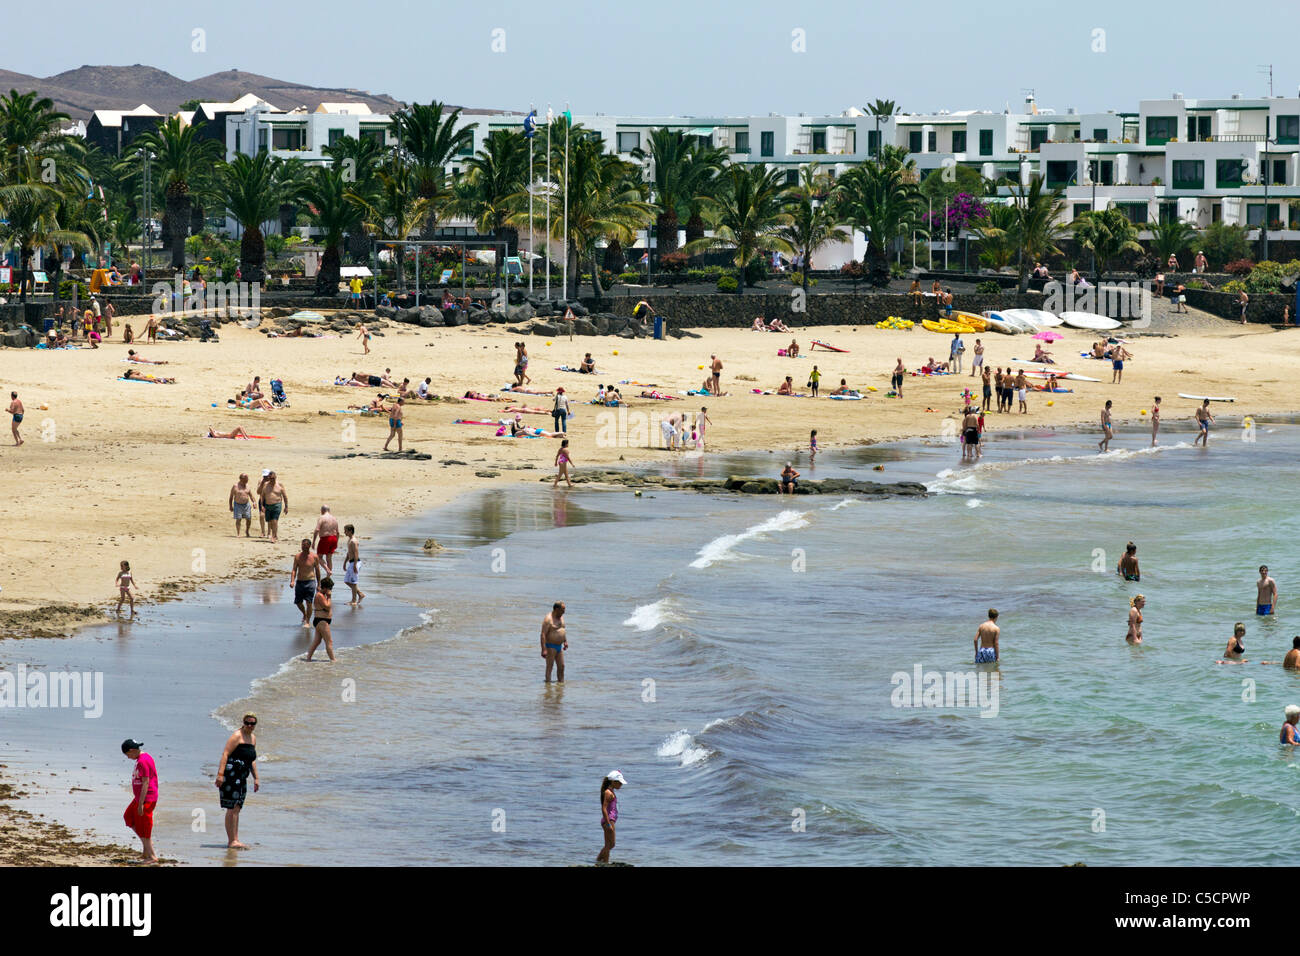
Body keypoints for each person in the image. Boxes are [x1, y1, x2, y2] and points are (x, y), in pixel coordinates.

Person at [216, 713, 259, 849]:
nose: (249, 726)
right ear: (243, 722)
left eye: (252, 724)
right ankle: (232, 841)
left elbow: (251, 760)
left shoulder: (252, 738)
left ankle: (235, 839)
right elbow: (225, 754)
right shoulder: (237, 736)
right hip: (231, 775)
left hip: (242, 777)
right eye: (247, 723)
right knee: (232, 808)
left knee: (237, 808)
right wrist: (220, 774)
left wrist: (256, 778)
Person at [122, 738, 159, 864]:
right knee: (129, 816)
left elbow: (146, 782)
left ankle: (152, 856)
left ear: (132, 751)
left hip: (146, 798)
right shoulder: (140, 759)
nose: (128, 758)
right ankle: (146, 848)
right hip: (139, 798)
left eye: (128, 755)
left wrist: (141, 803)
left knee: (144, 826)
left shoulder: (144, 760)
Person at [596, 770, 626, 864]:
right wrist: (608, 824)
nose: (621, 785)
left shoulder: (610, 791)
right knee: (611, 844)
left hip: (609, 820)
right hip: (609, 820)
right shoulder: (608, 793)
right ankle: (599, 860)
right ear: (614, 782)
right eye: (620, 783)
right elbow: (604, 808)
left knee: (608, 845)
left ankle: (604, 862)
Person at [290, 538, 320, 627]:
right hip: (300, 582)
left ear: (309, 546)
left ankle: (307, 621)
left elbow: (317, 571)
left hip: (310, 582)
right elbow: (294, 569)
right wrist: (292, 581)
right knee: (298, 602)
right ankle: (304, 614)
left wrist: (319, 584)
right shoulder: (297, 556)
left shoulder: (314, 557)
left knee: (309, 602)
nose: (303, 547)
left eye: (305, 546)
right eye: (302, 545)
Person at [306, 578, 336, 662]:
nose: (330, 591)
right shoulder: (319, 595)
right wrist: (329, 597)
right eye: (330, 588)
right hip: (322, 621)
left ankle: (308, 658)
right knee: (329, 641)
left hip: (322, 620)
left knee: (317, 641)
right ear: (326, 588)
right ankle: (333, 660)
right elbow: (327, 606)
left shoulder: (322, 595)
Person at [541, 601, 568, 683]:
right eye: (562, 609)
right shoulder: (548, 619)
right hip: (550, 646)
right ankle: (548, 687)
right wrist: (544, 649)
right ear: (556, 609)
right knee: (550, 667)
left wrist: (565, 641)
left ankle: (560, 686)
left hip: (559, 646)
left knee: (562, 666)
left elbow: (562, 630)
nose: (564, 611)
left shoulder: (561, 617)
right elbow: (543, 634)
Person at [342, 524, 365, 605]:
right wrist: (345, 563)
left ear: (350, 531)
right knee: (347, 581)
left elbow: (356, 553)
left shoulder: (354, 541)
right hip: (351, 562)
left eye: (346, 530)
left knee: (354, 582)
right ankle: (360, 594)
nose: (344, 532)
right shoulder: (349, 540)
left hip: (355, 562)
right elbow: (349, 553)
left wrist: (355, 565)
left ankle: (354, 601)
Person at [313, 505, 340, 575]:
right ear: (329, 510)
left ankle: (328, 570)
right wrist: (336, 542)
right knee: (329, 558)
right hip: (334, 538)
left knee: (318, 557)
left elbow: (317, 529)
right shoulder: (334, 518)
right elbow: (338, 532)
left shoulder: (322, 518)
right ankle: (328, 577)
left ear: (322, 511)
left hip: (325, 539)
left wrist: (313, 542)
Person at [261, 471, 287, 542]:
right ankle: (275, 535)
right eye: (270, 478)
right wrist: (262, 506)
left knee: (274, 520)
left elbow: (284, 496)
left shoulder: (280, 485)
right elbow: (262, 496)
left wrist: (286, 506)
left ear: (275, 477)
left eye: (273, 478)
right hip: (268, 505)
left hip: (277, 505)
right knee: (270, 521)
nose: (272, 480)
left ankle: (273, 537)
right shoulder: (266, 485)